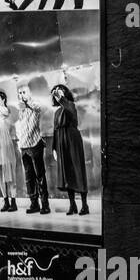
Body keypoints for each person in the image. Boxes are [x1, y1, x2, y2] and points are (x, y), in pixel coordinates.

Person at [50, 84, 89, 215]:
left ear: (65, 94)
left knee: (77, 171)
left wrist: (62, 98)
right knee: (66, 174)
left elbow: (69, 110)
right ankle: (73, 205)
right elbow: (55, 130)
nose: (57, 96)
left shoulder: (70, 105)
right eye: (55, 94)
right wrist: (54, 148)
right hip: (61, 142)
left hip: (72, 140)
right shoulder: (56, 112)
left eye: (60, 93)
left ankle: (85, 205)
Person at [15, 84, 51, 214]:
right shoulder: (21, 109)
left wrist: (27, 102)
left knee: (39, 175)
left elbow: (39, 108)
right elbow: (20, 126)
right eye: (20, 93)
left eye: (24, 92)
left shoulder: (34, 103)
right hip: (24, 146)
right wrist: (20, 144)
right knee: (29, 177)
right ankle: (34, 203)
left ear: (29, 93)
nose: (22, 95)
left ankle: (45, 205)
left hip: (35, 144)